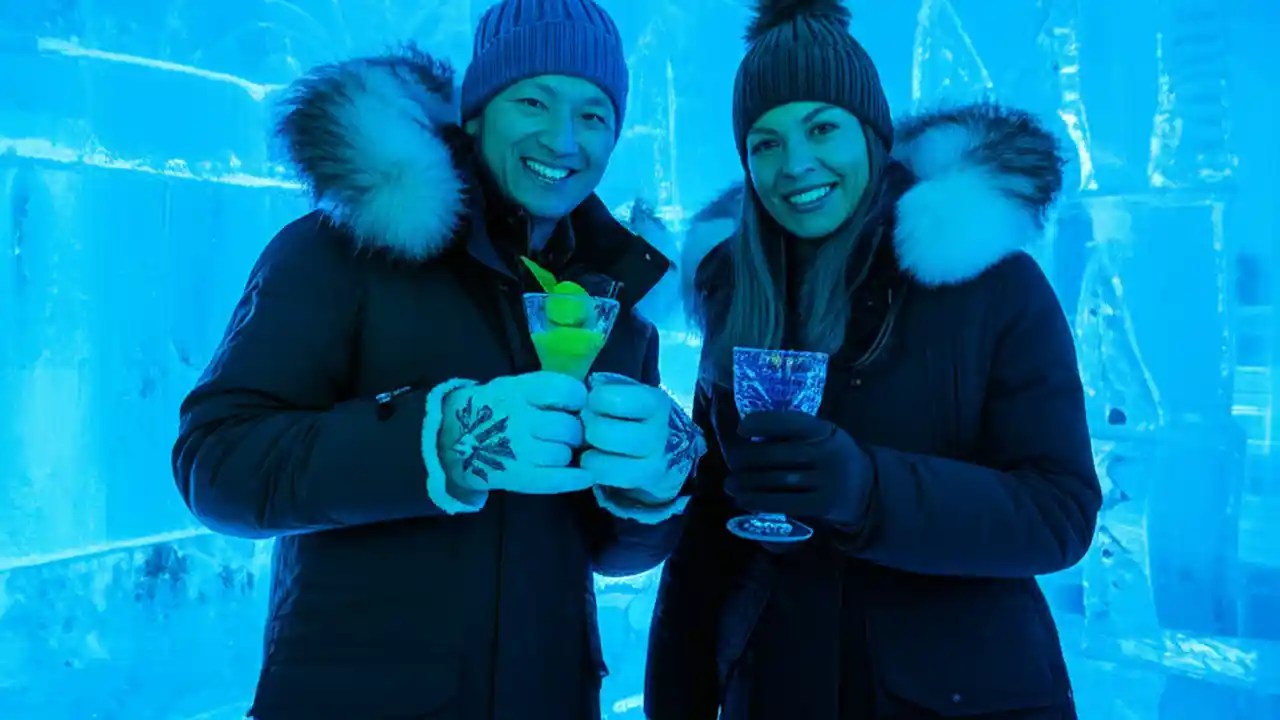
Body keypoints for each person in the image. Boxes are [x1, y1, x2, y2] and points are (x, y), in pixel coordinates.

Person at [171, 1, 704, 717]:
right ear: (479, 112)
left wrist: (650, 486)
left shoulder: (612, 299)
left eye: (594, 114)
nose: (564, 138)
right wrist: (445, 439)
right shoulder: (341, 249)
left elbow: (610, 551)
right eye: (534, 101)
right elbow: (217, 464)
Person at [645, 1, 1103, 719]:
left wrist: (869, 489)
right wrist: (676, 699)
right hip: (777, 690)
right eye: (764, 142)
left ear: (870, 132)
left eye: (821, 128)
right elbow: (712, 534)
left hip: (958, 697)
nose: (794, 164)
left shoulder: (991, 284)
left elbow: (1060, 513)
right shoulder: (741, 293)